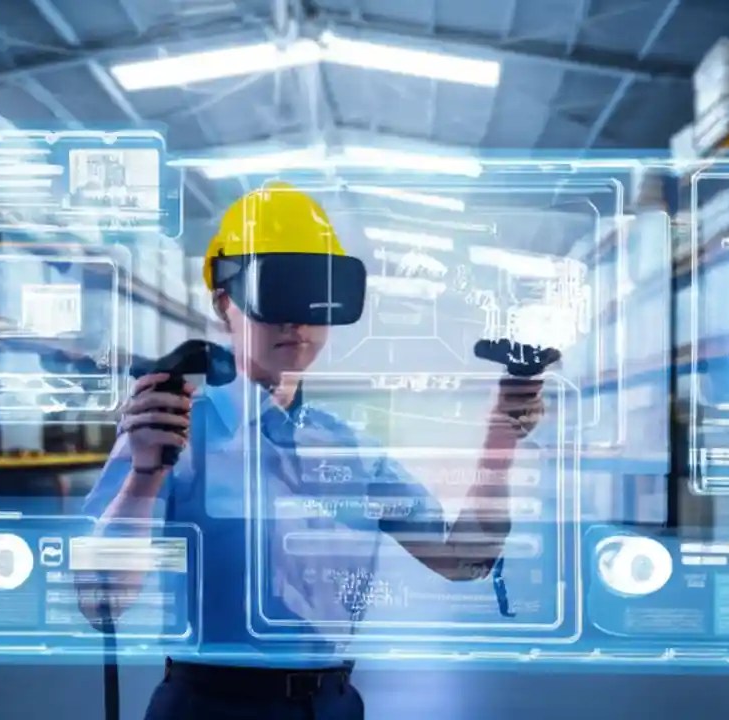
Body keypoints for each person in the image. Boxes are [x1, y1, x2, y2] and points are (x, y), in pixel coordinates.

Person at [81, 183, 548, 720]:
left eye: (312, 296)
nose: (294, 320)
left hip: (331, 707)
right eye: (272, 292)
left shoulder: (353, 449)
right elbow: (102, 604)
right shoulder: (172, 436)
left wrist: (500, 441)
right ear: (224, 302)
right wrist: (143, 477)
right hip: (208, 706)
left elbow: (464, 561)